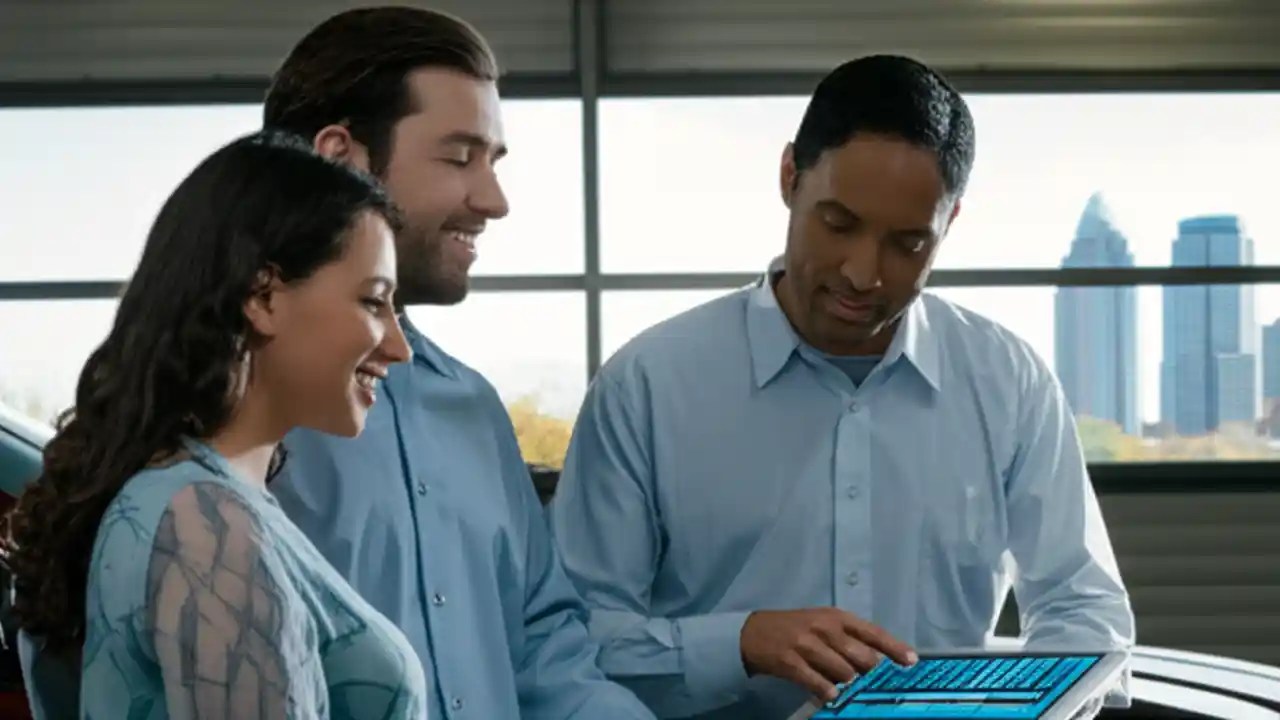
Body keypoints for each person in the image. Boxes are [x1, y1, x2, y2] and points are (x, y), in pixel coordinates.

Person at [549, 54, 1136, 720]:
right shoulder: (647, 386)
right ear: (789, 176)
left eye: (908, 244)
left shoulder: (1011, 384)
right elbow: (575, 640)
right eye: (838, 224)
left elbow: (1085, 609)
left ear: (950, 222)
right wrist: (739, 642)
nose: (863, 274)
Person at [261, 7, 655, 719]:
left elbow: (543, 649)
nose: (493, 201)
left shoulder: (471, 406)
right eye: (458, 157)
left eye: (493, 162)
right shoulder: (219, 404)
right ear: (339, 158)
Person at [8, 130, 423, 719]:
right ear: (264, 297)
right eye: (373, 301)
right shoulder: (206, 527)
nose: (400, 347)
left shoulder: (197, 503)